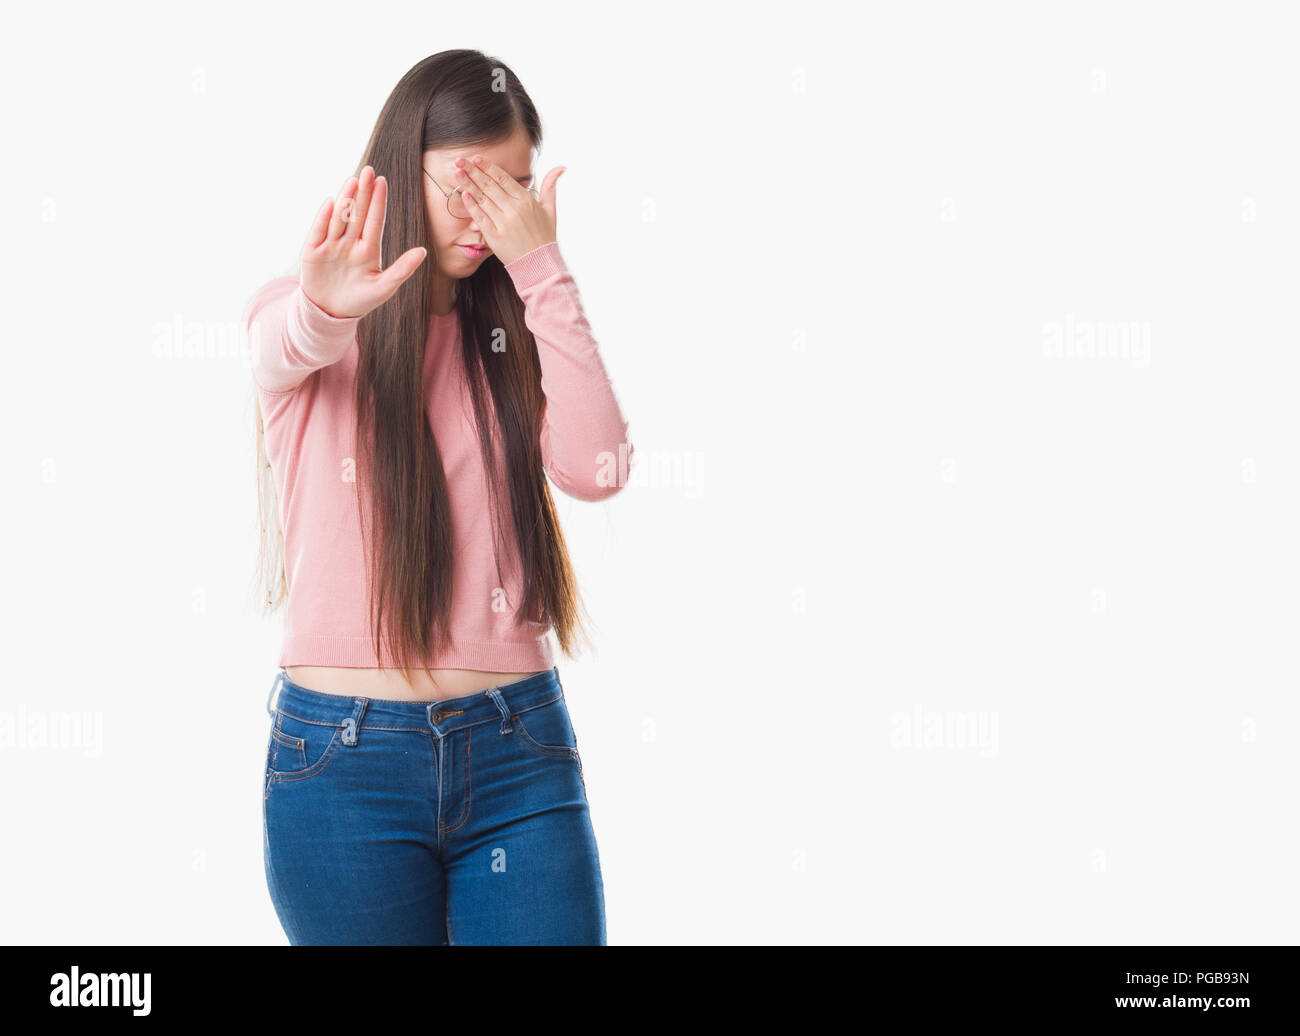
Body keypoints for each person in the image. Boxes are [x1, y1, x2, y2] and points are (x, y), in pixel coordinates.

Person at [242, 48, 633, 945]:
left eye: (516, 190)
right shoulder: (306, 320)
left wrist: (544, 270)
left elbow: (599, 469)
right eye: (467, 186)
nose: (488, 216)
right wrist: (326, 307)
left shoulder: (518, 333)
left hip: (519, 752)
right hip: (341, 766)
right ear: (399, 169)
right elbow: (278, 347)